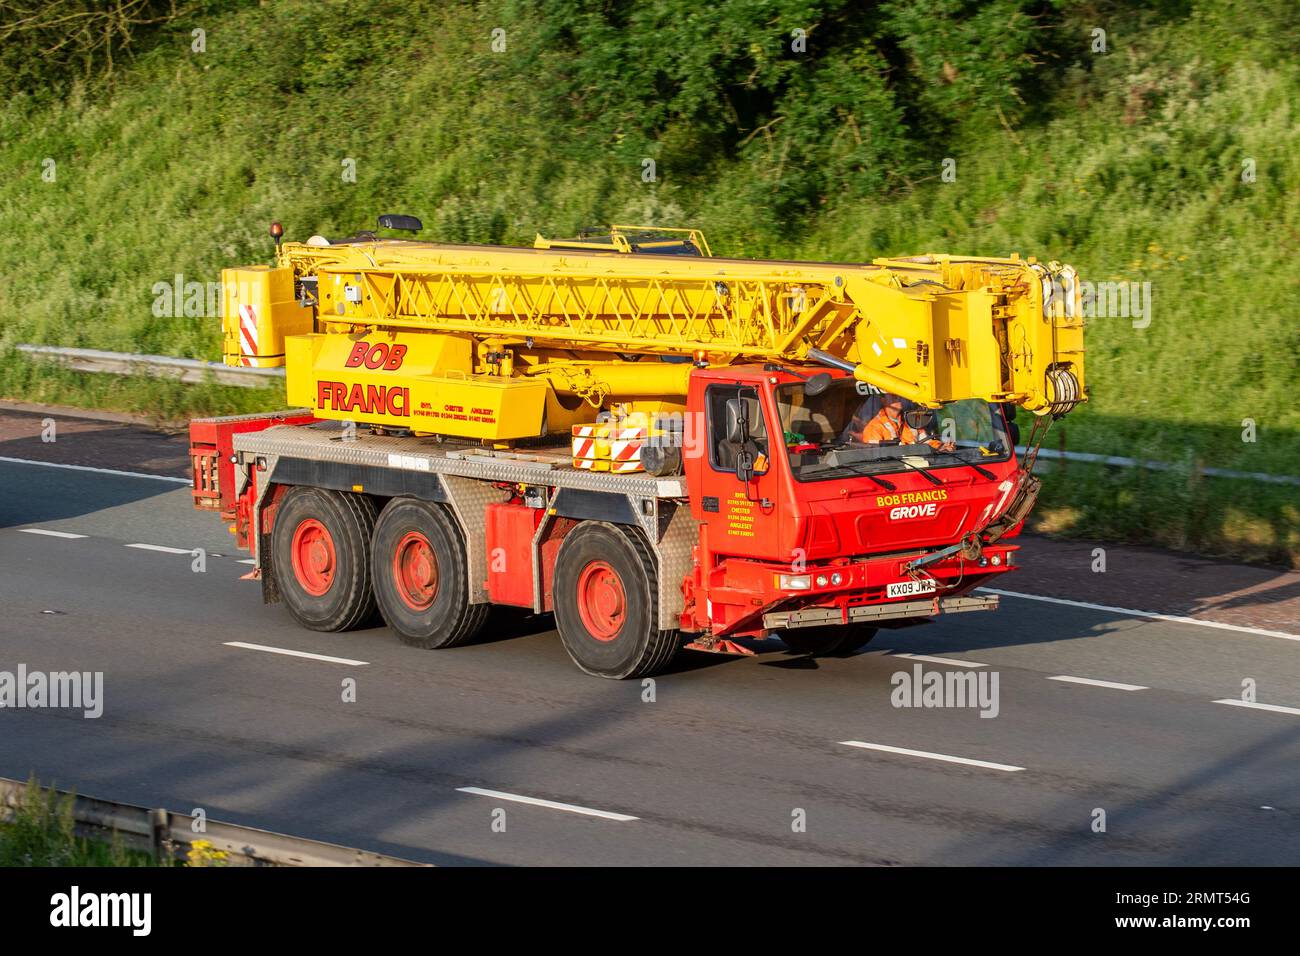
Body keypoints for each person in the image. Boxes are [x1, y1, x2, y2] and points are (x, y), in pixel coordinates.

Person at [858, 394, 955, 451]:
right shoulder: (873, 428)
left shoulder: (909, 420)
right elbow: (875, 457)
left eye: (898, 395)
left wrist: (941, 447)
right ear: (883, 400)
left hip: (917, 471)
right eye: (893, 396)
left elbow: (926, 441)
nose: (898, 398)